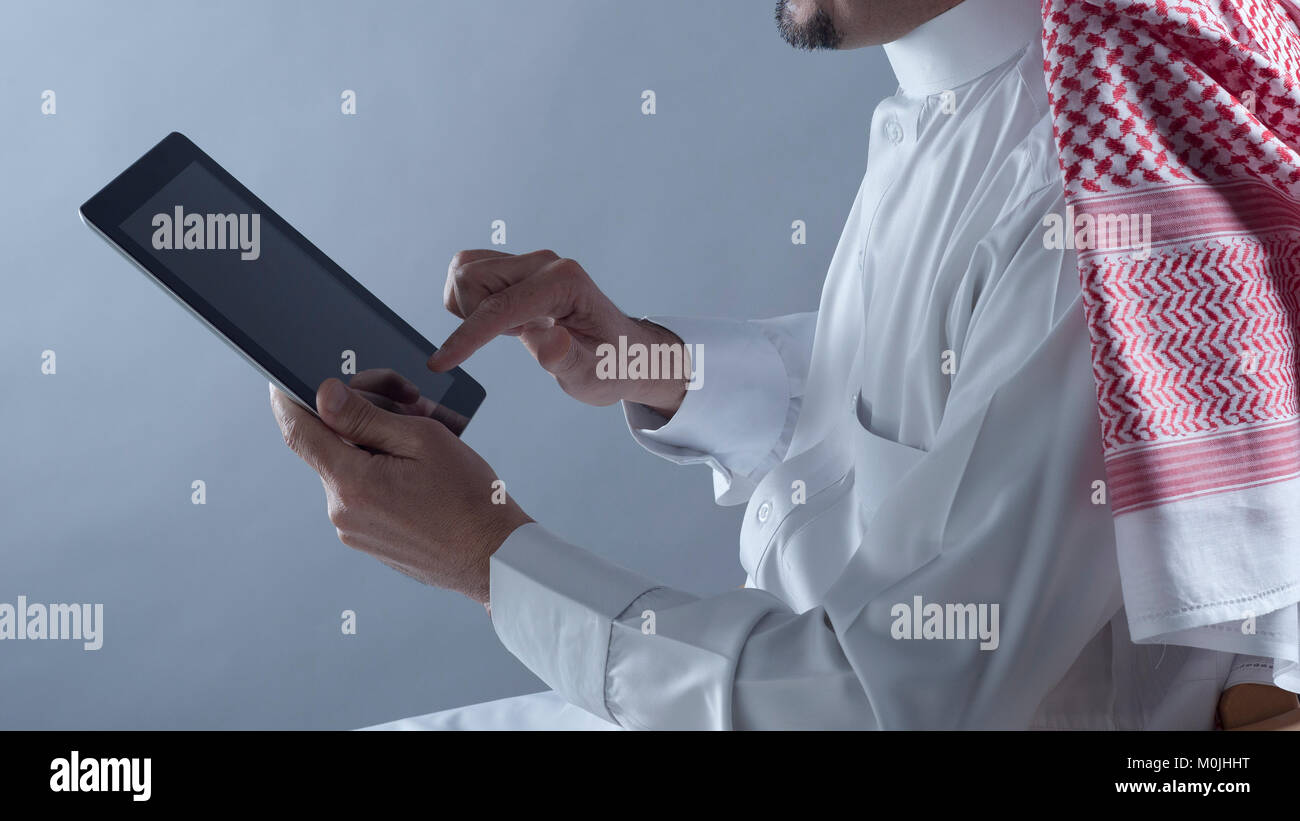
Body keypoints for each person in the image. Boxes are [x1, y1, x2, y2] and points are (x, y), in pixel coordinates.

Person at [269, 0, 1300, 729]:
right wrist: (646, 360)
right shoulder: (989, 87)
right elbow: (926, 392)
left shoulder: (1094, 207)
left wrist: (484, 555)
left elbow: (894, 706)